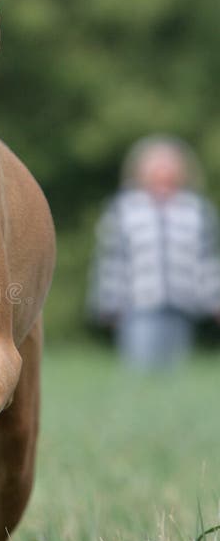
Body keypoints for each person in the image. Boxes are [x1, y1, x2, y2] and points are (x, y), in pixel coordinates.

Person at [88, 136, 220, 368]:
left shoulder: (195, 209)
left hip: (182, 301)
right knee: (141, 366)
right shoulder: (124, 208)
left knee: (174, 369)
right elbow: (112, 260)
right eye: (157, 166)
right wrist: (109, 303)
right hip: (138, 304)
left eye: (169, 166)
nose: (163, 172)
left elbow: (206, 261)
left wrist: (214, 299)